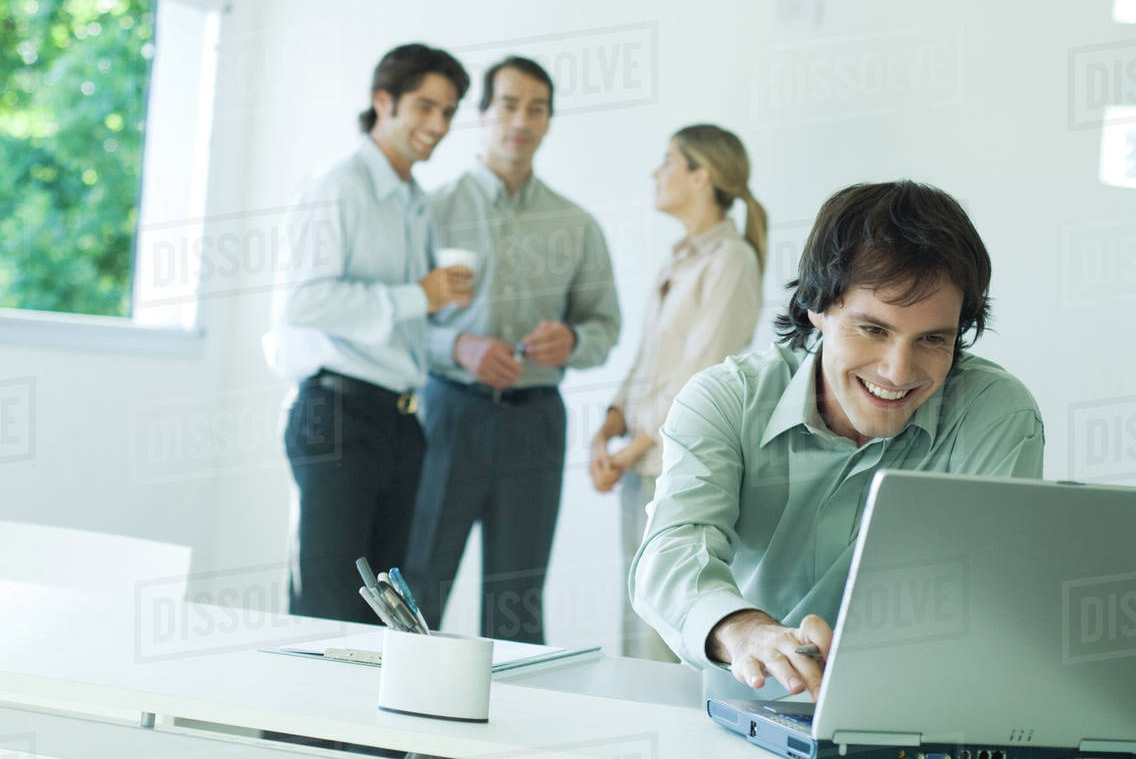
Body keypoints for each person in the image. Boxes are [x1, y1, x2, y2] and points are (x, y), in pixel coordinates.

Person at [630, 180, 1044, 700]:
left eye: (933, 339)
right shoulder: (725, 399)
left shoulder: (995, 413)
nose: (898, 371)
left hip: (915, 714)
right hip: (736, 713)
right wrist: (746, 631)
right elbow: (673, 548)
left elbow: (990, 599)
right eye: (873, 329)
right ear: (816, 307)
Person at [404, 56, 621, 644]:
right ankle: (392, 735)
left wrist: (573, 340)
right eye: (508, 104)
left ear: (549, 122)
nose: (521, 119)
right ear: (481, 115)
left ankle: (512, 734)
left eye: (537, 108)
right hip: (447, 414)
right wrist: (459, 345)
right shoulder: (428, 210)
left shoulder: (576, 225)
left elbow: (605, 326)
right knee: (418, 586)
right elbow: (396, 323)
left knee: (517, 604)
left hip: (535, 426)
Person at [267, 43, 474, 624]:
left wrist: (447, 322)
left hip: (401, 424)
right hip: (336, 417)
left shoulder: (414, 202)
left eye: (449, 111)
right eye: (425, 106)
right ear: (383, 101)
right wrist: (420, 296)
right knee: (325, 611)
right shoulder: (339, 184)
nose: (438, 124)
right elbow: (305, 299)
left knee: (382, 622)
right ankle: (289, 722)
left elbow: (402, 326)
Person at [589, 124, 768, 662]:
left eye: (667, 161)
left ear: (701, 175)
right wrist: (609, 425)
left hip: (674, 465)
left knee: (664, 634)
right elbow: (649, 358)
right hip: (640, 463)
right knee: (635, 618)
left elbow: (700, 375)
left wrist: (631, 450)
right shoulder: (679, 259)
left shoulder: (731, 260)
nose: (655, 173)